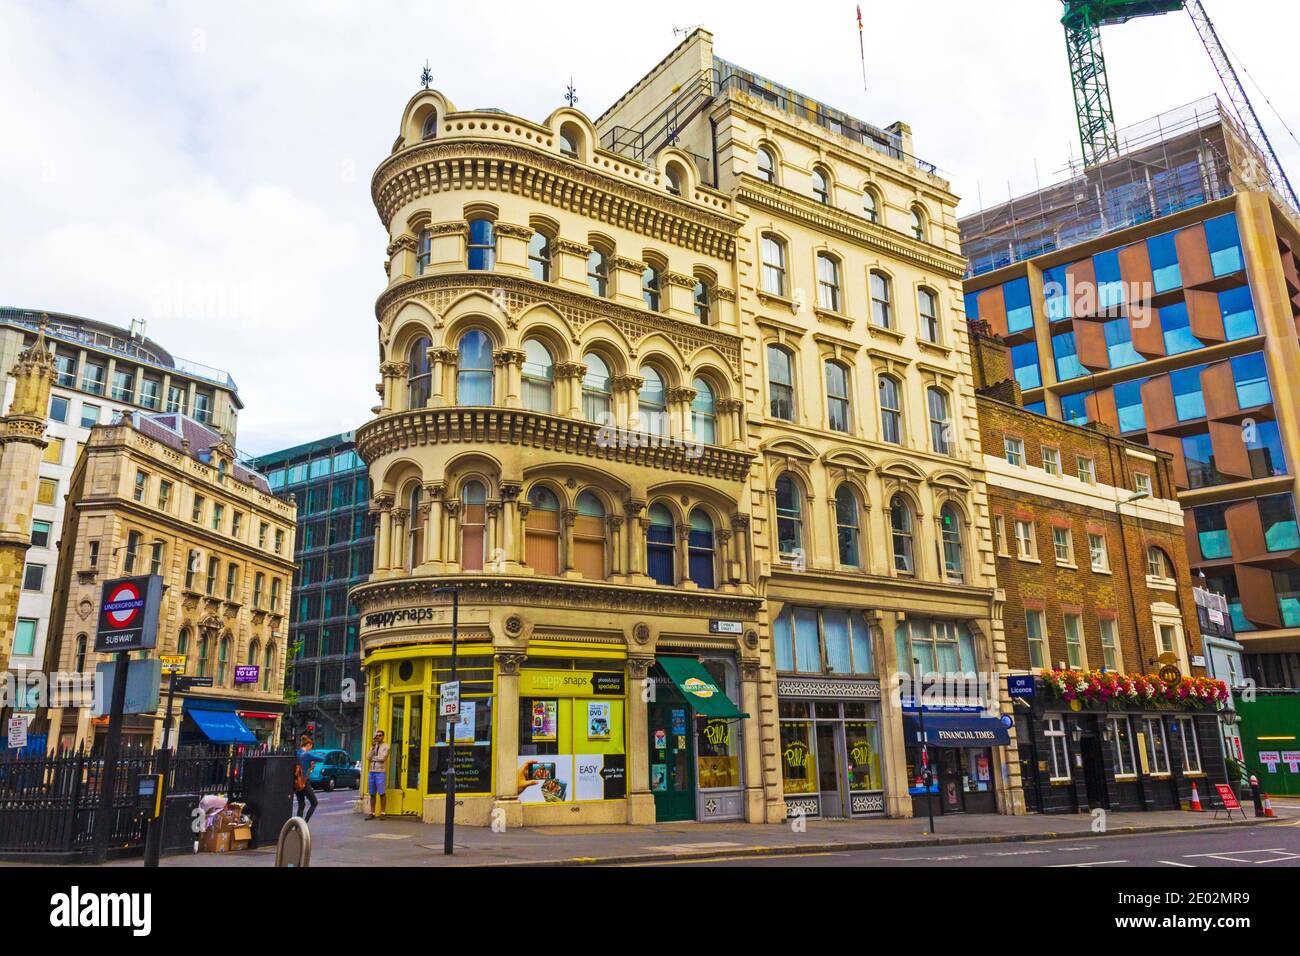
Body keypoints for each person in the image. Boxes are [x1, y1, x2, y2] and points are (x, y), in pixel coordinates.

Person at [365, 729, 390, 820]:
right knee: (372, 793)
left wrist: (373, 758)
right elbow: (368, 757)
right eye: (377, 735)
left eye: (380, 735)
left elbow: (383, 758)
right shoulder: (373, 746)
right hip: (371, 771)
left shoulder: (386, 746)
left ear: (383, 737)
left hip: (380, 772)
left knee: (382, 792)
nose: (378, 737)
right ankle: (372, 812)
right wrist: (372, 748)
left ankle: (383, 812)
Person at [295, 733, 319, 822]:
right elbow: (321, 758)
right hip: (304, 781)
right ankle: (305, 822)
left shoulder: (297, 752)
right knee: (314, 802)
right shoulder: (307, 754)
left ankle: (297, 824)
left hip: (297, 782)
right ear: (308, 745)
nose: (310, 749)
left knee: (301, 804)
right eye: (311, 747)